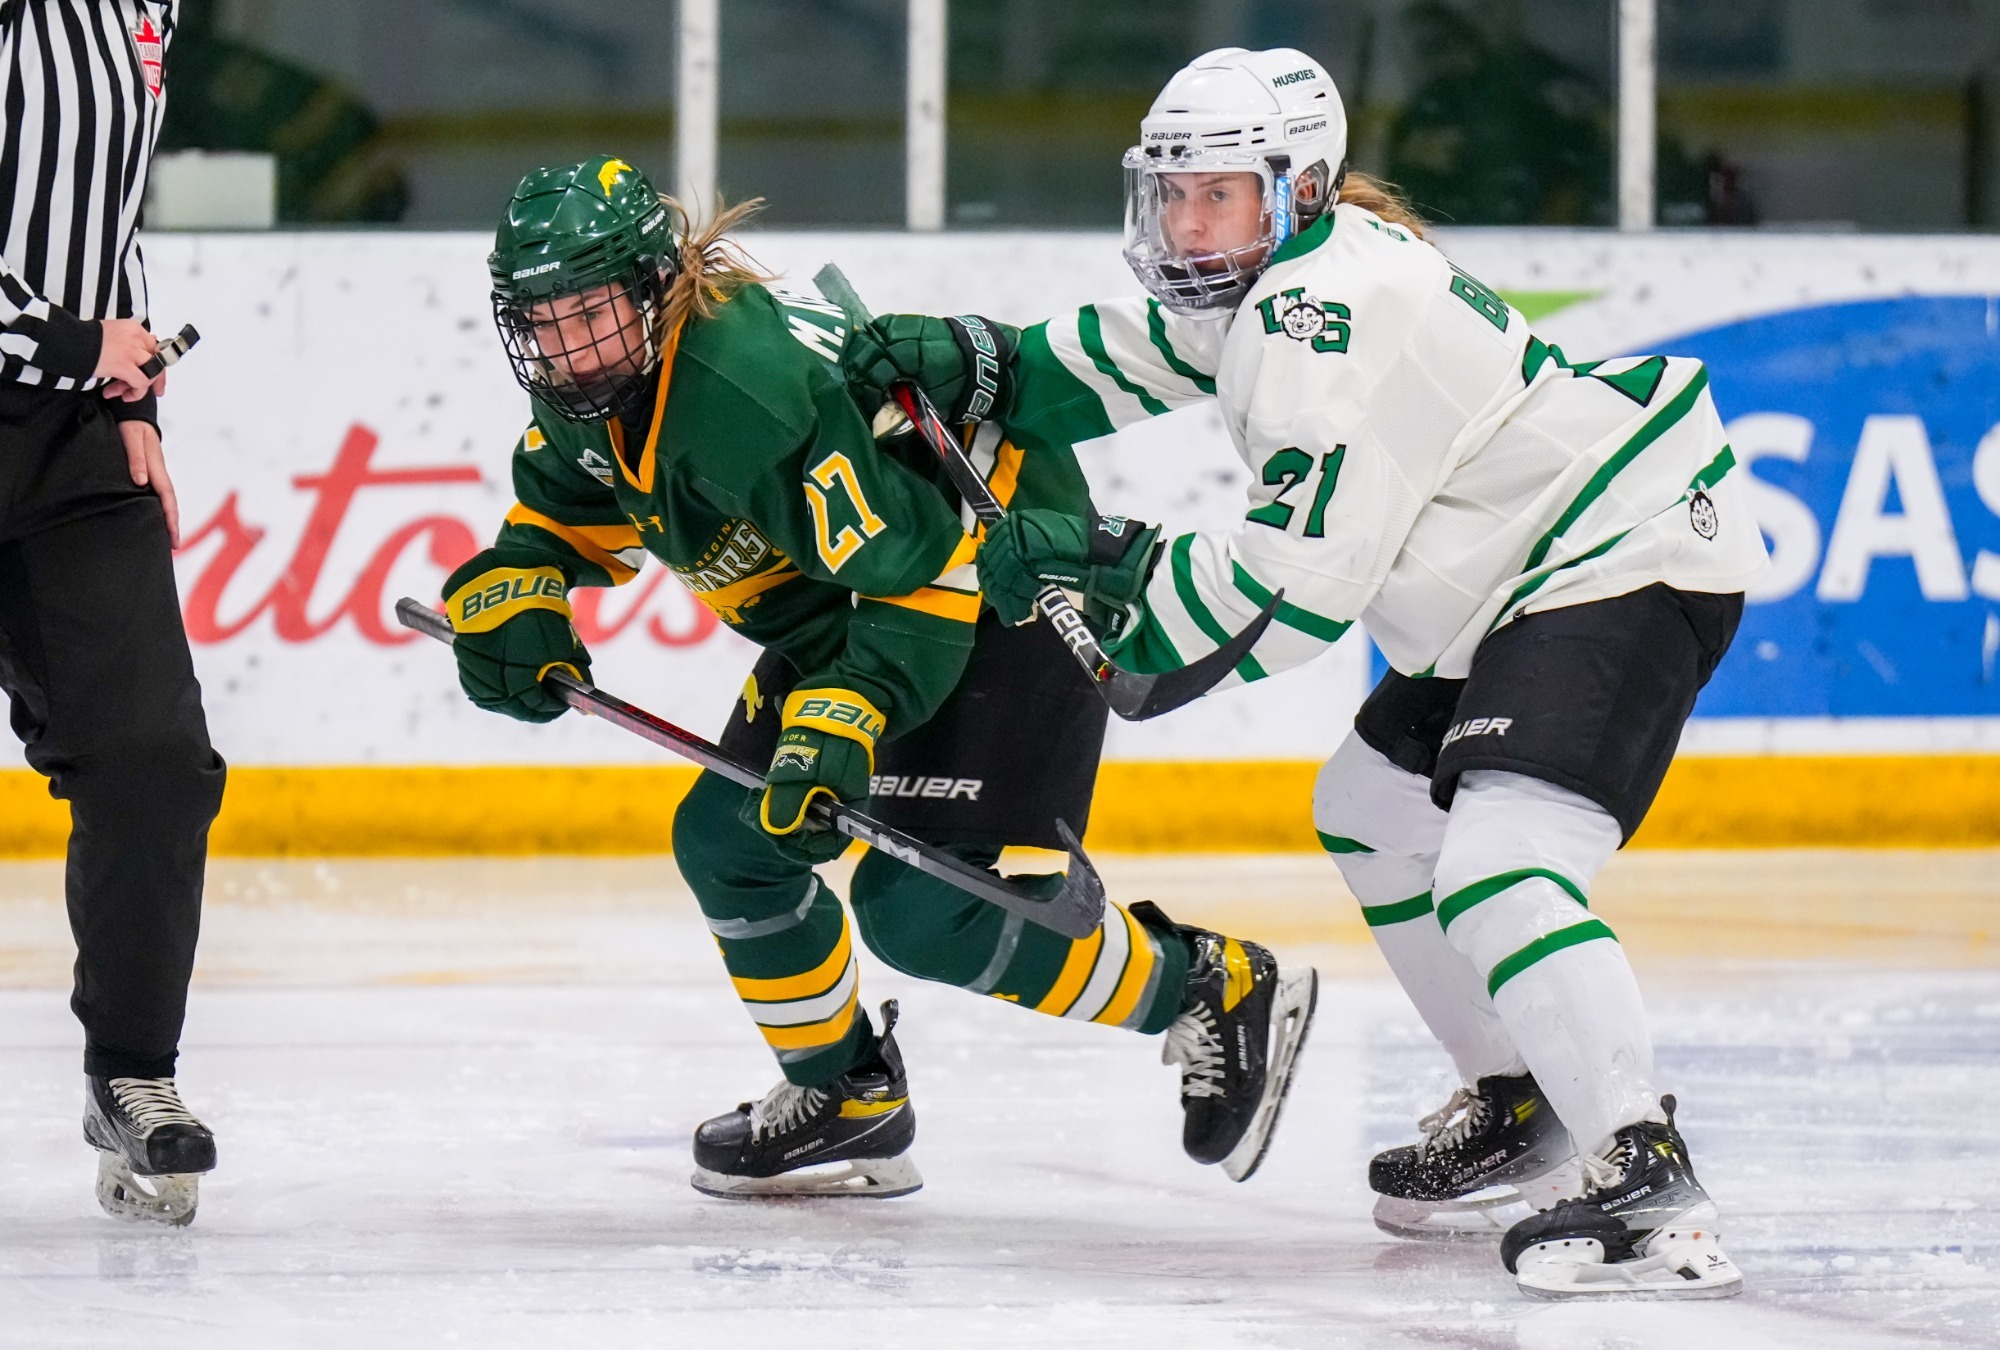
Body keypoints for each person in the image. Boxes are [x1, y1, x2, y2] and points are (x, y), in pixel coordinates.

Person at [843, 48, 1766, 1298]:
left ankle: (1643, 1175)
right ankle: (1521, 1099)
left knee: (1501, 867)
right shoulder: (1277, 278)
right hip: (1513, 577)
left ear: (1301, 190)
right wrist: (988, 360)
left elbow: (1297, 591)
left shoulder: (1316, 316)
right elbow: (1130, 353)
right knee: (1370, 807)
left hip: (1613, 555)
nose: (1187, 224)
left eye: (1216, 194)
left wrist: (1102, 566)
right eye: (1172, 193)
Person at [443, 155, 1318, 1198]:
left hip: (1000, 585)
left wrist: (844, 717)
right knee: (730, 842)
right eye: (541, 324)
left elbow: (929, 565)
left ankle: (1207, 986)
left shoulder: (744, 396)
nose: (567, 349)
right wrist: (520, 591)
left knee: (919, 911)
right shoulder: (604, 386)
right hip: (859, 604)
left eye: (587, 314)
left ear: (654, 287)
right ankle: (846, 1093)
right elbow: (565, 513)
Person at [0, 0, 225, 1226]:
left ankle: (131, 1070)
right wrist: (79, 340)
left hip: (74, 435)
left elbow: (106, 218)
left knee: (153, 761)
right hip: (57, 368)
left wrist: (131, 394)